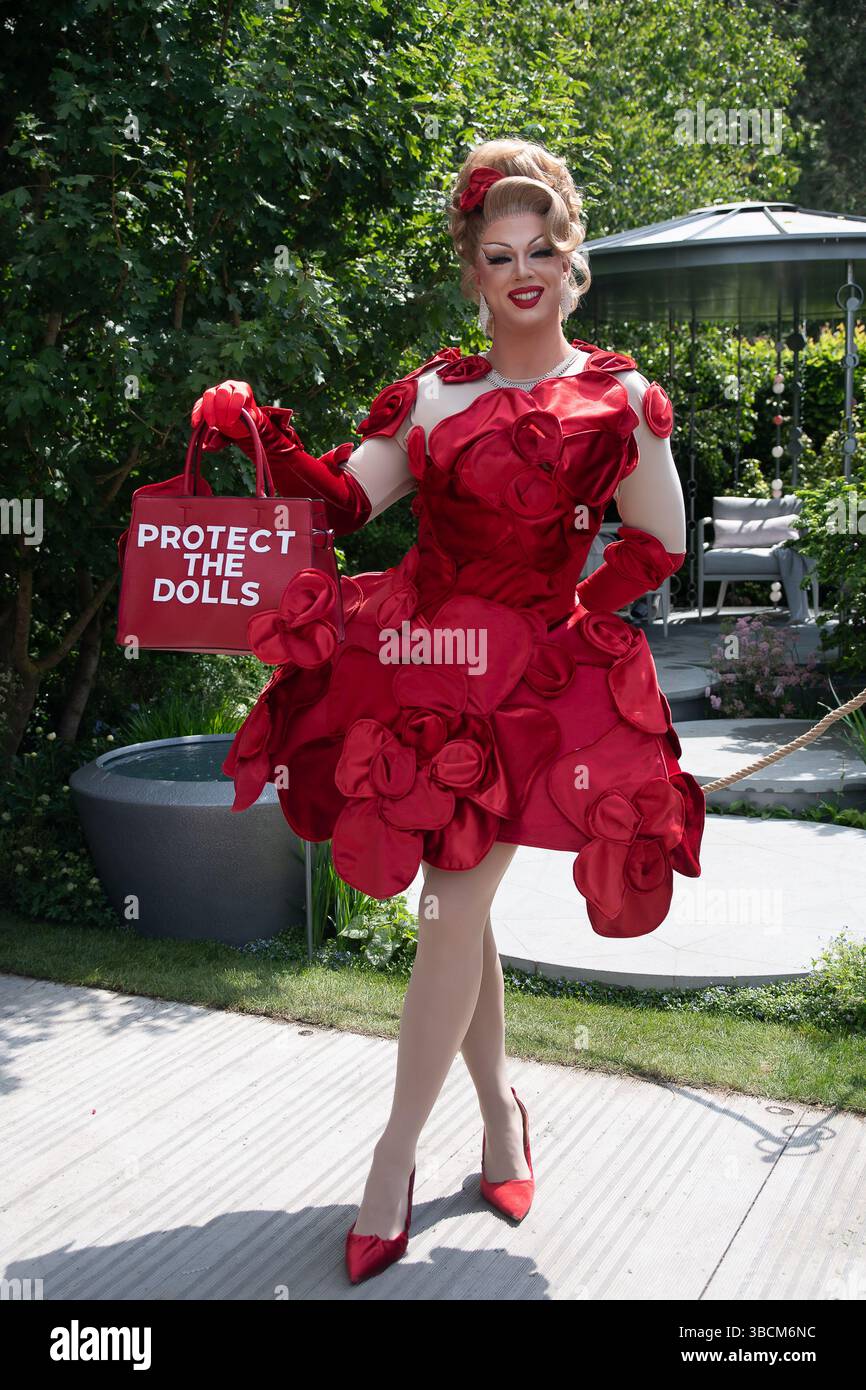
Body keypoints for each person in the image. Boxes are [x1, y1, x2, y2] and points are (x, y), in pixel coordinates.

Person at [193, 138, 705, 1285]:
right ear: (471, 271)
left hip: (531, 692)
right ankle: (497, 1117)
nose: (521, 269)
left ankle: (389, 1159)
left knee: (446, 907)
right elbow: (342, 502)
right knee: (456, 913)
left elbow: (660, 543)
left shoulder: (618, 396)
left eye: (541, 248)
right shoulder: (435, 393)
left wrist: (568, 612)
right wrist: (256, 429)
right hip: (417, 668)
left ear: (567, 260)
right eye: (496, 252)